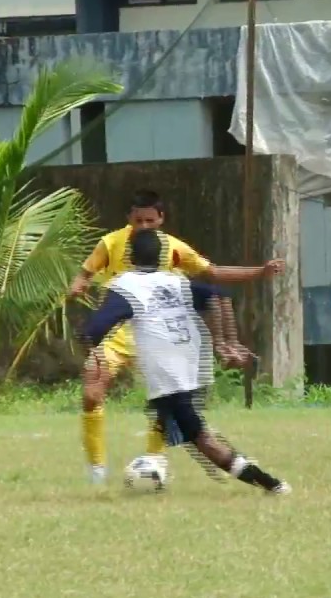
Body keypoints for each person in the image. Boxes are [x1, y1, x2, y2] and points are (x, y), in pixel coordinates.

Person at [67, 190, 278, 485]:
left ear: (161, 220)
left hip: (157, 337)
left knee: (167, 404)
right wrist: (77, 287)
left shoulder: (174, 248)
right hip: (117, 331)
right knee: (91, 392)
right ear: (129, 218)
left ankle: (155, 460)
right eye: (138, 220)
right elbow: (85, 273)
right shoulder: (111, 243)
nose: (144, 226)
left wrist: (259, 272)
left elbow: (213, 274)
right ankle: (97, 470)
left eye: (150, 221)